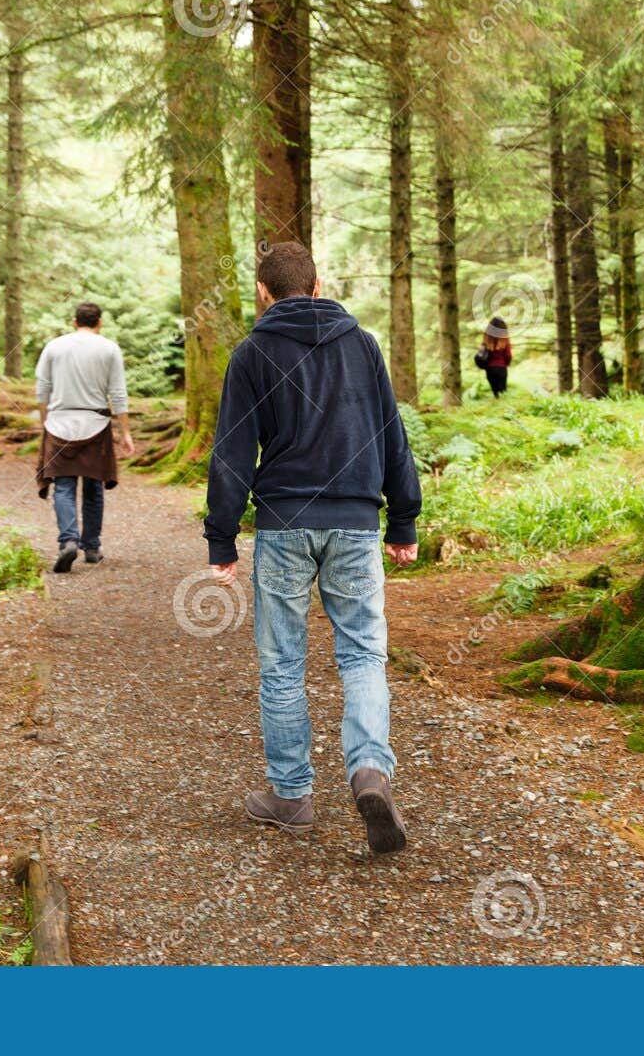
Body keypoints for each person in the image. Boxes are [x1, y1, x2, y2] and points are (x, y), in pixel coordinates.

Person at [203, 241, 421, 855]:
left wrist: (222, 538)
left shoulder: (252, 352)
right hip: (355, 520)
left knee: (282, 662)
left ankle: (292, 796)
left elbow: (233, 450)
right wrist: (403, 520)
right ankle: (369, 771)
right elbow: (391, 433)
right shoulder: (362, 344)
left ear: (263, 292)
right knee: (363, 654)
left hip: (284, 522)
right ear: (318, 285)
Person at [34, 302, 136, 572]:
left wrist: (45, 422)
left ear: (74, 321)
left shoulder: (54, 346)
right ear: (99, 322)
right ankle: (91, 546)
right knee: (93, 487)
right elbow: (118, 393)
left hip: (59, 424)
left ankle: (68, 541)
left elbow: (42, 389)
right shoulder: (109, 348)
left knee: (63, 487)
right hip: (96, 424)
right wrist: (125, 432)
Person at [475, 316, 513, 398]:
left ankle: (497, 401)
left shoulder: (486, 340)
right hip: (501, 369)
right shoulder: (504, 340)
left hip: (490, 370)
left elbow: (481, 354)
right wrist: (505, 364)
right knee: (503, 393)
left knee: (496, 393)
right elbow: (508, 356)